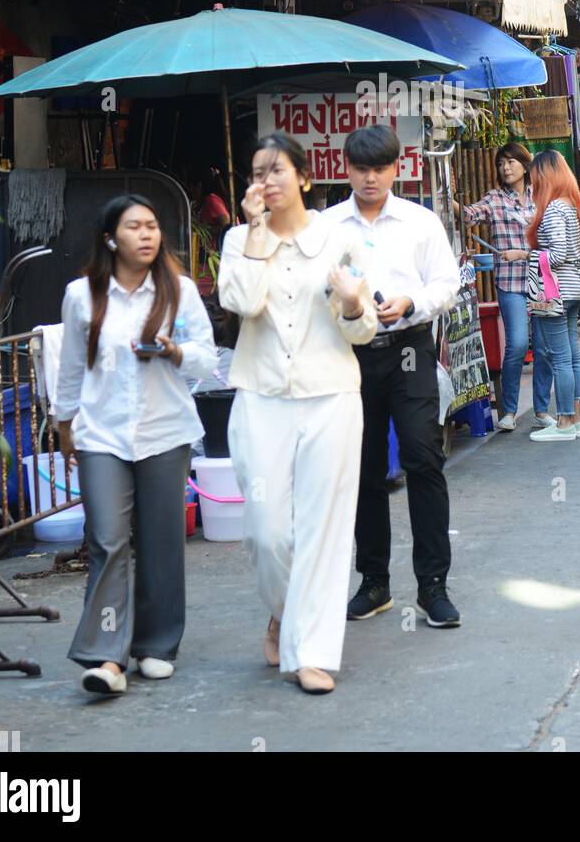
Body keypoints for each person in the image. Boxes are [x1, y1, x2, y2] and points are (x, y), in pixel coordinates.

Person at [217, 132, 378, 695]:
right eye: (257, 171)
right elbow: (241, 303)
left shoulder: (339, 238)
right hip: (261, 398)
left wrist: (354, 302)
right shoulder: (239, 239)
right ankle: (285, 611)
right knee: (267, 532)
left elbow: (361, 330)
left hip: (330, 395)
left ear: (305, 178)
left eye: (277, 169)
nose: (266, 180)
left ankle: (311, 651)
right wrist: (258, 231)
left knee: (323, 531)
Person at [56, 195, 217, 696]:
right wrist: (64, 425)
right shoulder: (81, 295)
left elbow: (207, 360)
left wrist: (174, 351)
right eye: (134, 227)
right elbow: (70, 369)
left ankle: (157, 645)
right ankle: (107, 655)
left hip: (165, 431)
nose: (147, 235)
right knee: (106, 538)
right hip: (102, 434)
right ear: (111, 238)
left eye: (152, 226)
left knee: (161, 541)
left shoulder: (179, 292)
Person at [323, 126, 462, 629]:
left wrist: (412, 303)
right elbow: (316, 290)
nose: (370, 178)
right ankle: (374, 581)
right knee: (362, 469)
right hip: (351, 354)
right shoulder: (327, 227)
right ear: (346, 169)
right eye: (361, 168)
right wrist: (348, 303)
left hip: (409, 348)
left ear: (396, 168)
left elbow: (448, 282)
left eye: (380, 168)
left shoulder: (420, 223)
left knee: (423, 458)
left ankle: (433, 586)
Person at [454, 142, 533, 432]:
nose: (506, 168)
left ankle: (541, 410)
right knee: (517, 344)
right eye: (501, 163)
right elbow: (469, 215)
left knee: (547, 348)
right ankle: (510, 410)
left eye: (511, 162)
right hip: (510, 280)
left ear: (525, 165)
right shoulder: (495, 198)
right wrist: (447, 196)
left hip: (542, 279)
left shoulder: (541, 195)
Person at [525, 151, 580, 444]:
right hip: (574, 287)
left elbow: (558, 253)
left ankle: (563, 421)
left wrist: (527, 254)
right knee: (572, 356)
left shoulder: (552, 210)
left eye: (534, 176)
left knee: (559, 358)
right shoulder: (571, 205)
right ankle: (575, 418)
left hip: (555, 291)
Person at [192, 168, 232, 297]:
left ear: (200, 186)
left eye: (194, 188)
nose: (193, 192)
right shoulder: (202, 203)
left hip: (212, 255)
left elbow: (226, 223)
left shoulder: (211, 199)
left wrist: (205, 229)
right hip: (205, 256)